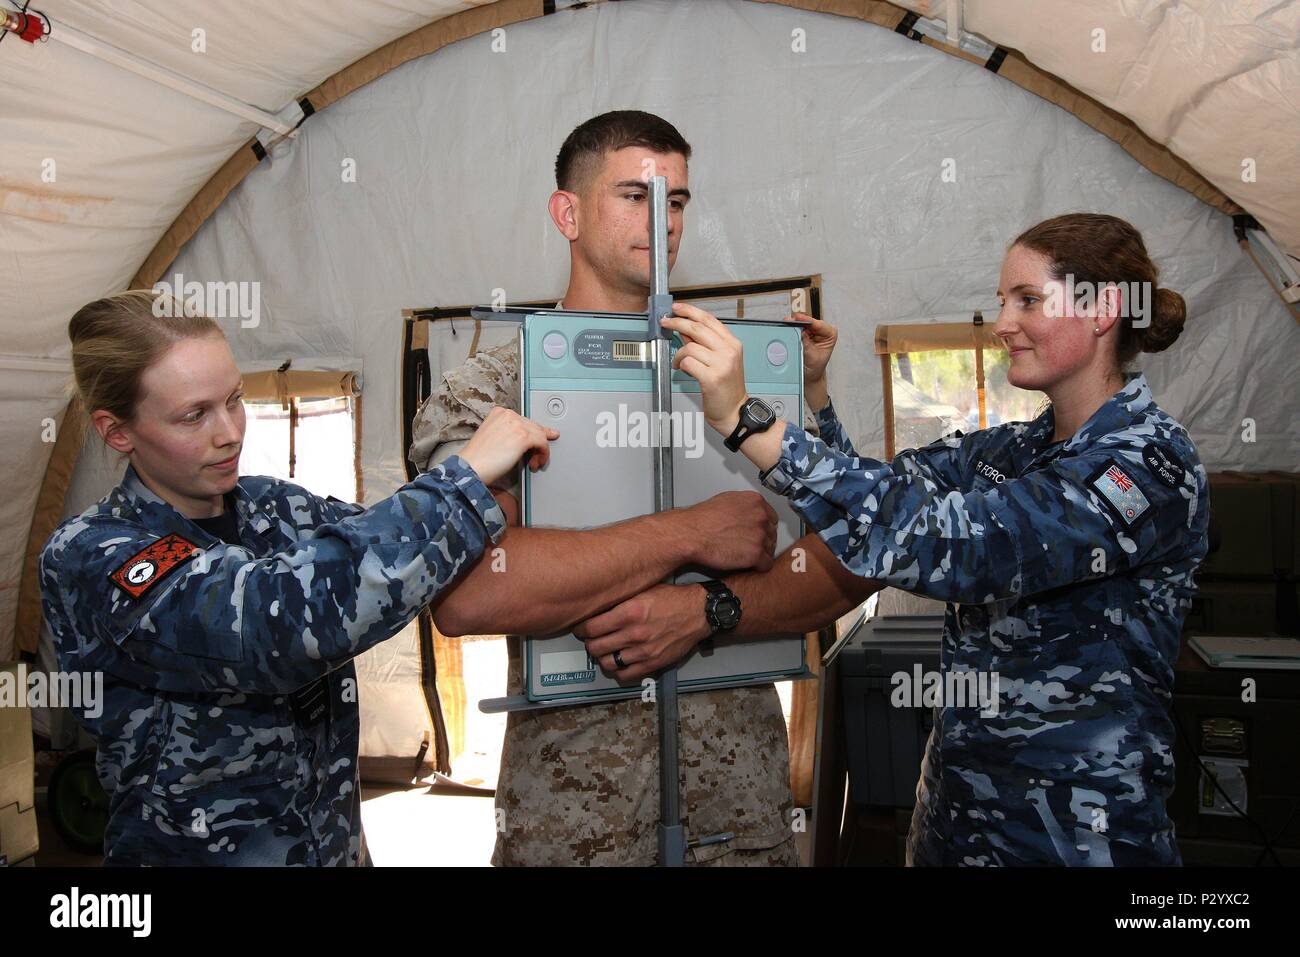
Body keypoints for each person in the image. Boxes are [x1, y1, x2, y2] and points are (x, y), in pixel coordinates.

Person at [651, 212, 1210, 866]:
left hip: (1073, 838)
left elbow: (961, 548)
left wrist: (752, 423)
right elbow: (886, 500)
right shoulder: (1018, 444)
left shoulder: (1147, 466)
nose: (1003, 322)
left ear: (1102, 312)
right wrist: (814, 392)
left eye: (1028, 300)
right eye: (1003, 300)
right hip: (958, 821)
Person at [410, 110, 874, 866]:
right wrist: (688, 535)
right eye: (633, 195)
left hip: (743, 818)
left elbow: (844, 559)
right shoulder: (493, 391)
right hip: (576, 821)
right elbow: (468, 594)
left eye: (678, 201)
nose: (663, 220)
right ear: (568, 211)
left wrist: (707, 608)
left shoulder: (732, 379)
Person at [39, 288, 552, 865]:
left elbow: (396, 555)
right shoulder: (94, 553)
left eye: (233, 399)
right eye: (193, 415)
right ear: (117, 431)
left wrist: (513, 489)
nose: (230, 431)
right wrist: (463, 479)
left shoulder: (278, 507)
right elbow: (278, 624)